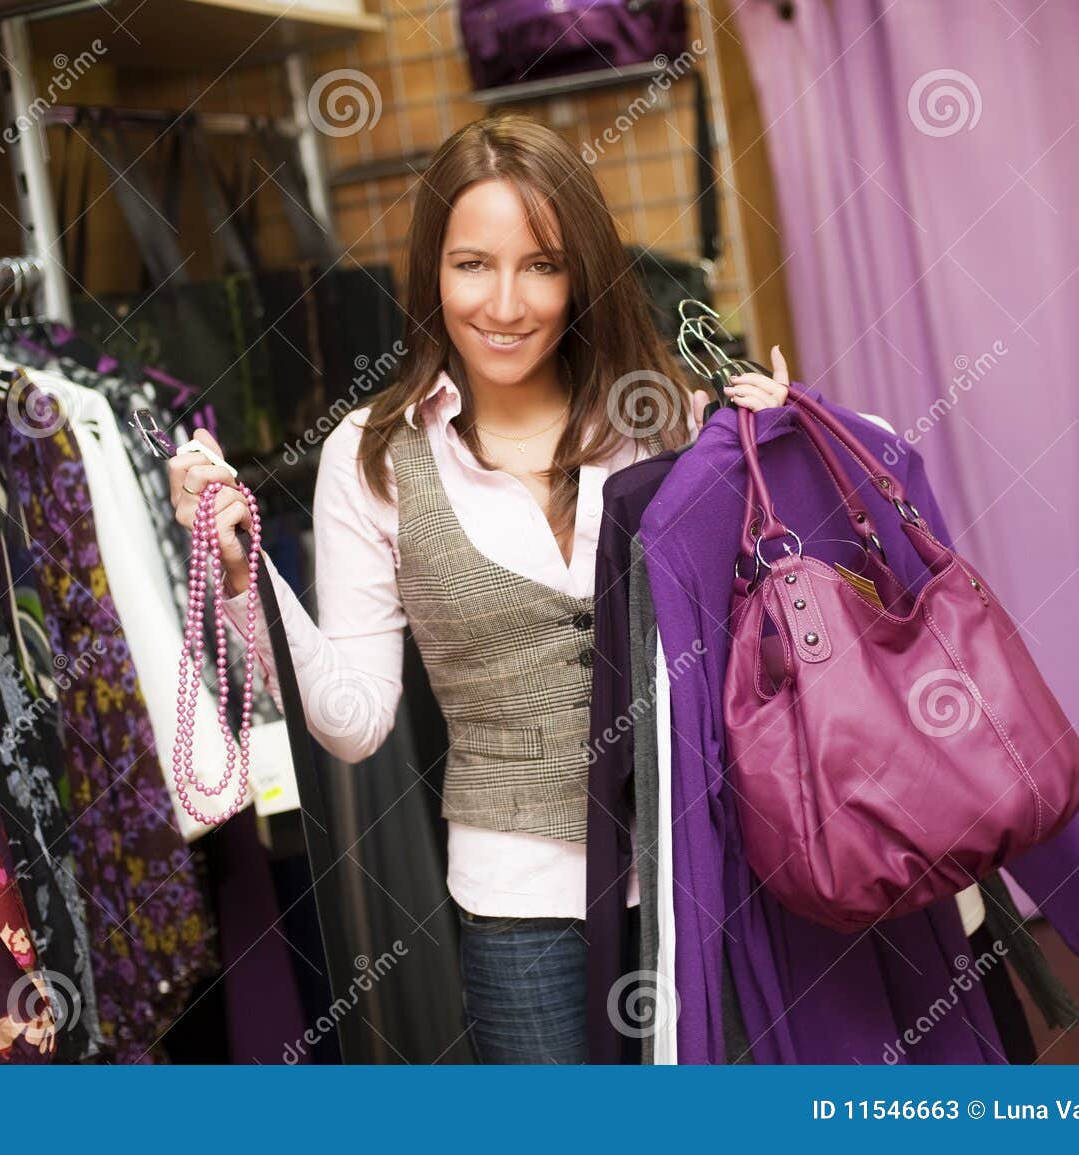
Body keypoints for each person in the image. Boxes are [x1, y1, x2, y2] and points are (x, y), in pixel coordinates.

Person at [168, 113, 788, 1063]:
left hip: (701, 873)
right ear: (431, 270)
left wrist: (773, 447)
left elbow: (764, 632)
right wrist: (244, 573)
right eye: (472, 265)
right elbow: (353, 721)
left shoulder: (660, 412)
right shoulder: (371, 458)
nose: (505, 303)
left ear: (581, 271)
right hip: (520, 912)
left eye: (540, 264)